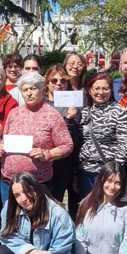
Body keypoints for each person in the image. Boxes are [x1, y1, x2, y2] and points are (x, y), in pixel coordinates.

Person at [0, 72, 73, 206]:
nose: (29, 93)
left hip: (37, 183)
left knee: (37, 222)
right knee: (9, 221)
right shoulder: (14, 113)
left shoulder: (52, 115)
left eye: (33, 88)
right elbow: (5, 139)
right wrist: (0, 147)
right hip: (9, 180)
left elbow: (67, 145)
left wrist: (47, 154)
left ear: (42, 90)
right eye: (25, 90)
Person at [78, 73, 127, 196]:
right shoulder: (85, 112)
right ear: (90, 90)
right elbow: (80, 142)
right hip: (85, 172)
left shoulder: (119, 111)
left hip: (107, 172)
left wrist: (114, 169)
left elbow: (126, 143)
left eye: (105, 88)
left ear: (111, 90)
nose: (101, 92)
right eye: (96, 88)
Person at [44, 65, 82, 217]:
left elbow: (76, 136)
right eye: (54, 80)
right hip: (46, 162)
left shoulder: (73, 105)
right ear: (47, 82)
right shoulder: (42, 104)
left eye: (63, 80)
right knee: (47, 205)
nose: (58, 83)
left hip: (66, 164)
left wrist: (71, 119)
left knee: (67, 205)